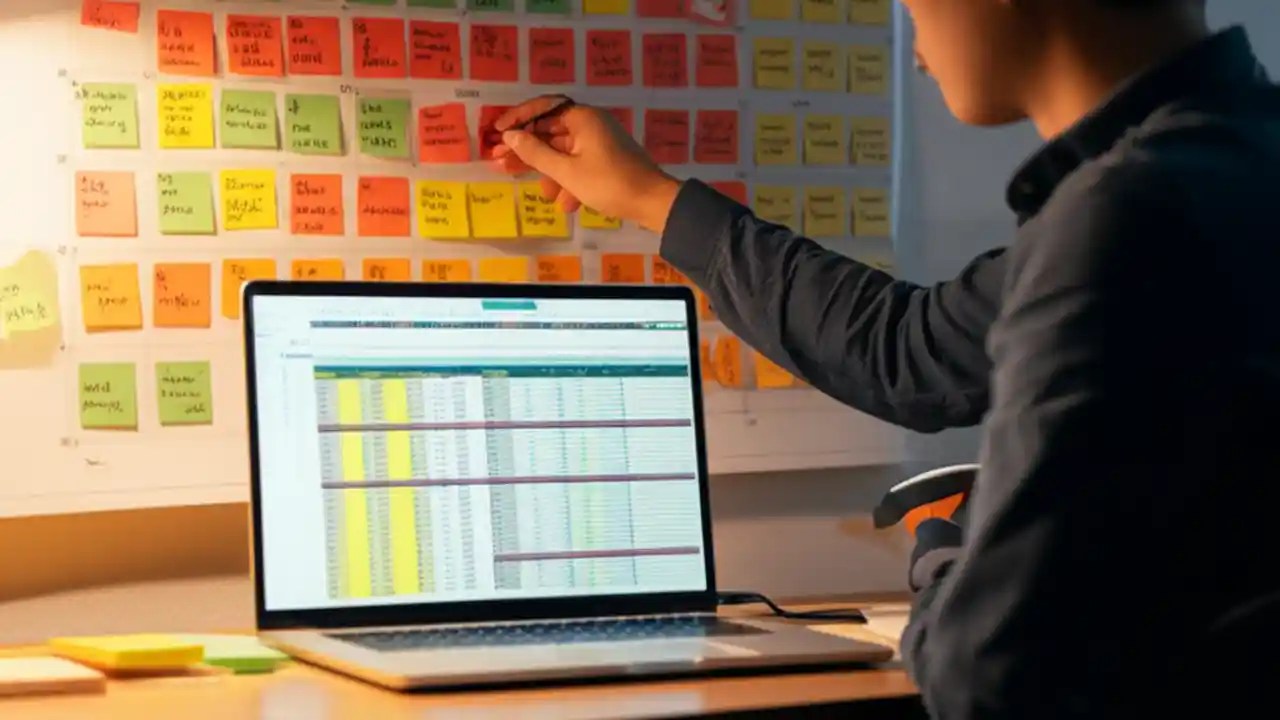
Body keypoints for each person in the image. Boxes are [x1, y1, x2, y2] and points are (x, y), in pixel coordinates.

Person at [492, 0, 1280, 716]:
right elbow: (914, 348)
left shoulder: (1124, 220)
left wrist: (951, 559)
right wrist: (648, 198)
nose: (909, 35)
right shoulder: (1233, 158)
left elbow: (990, 670)